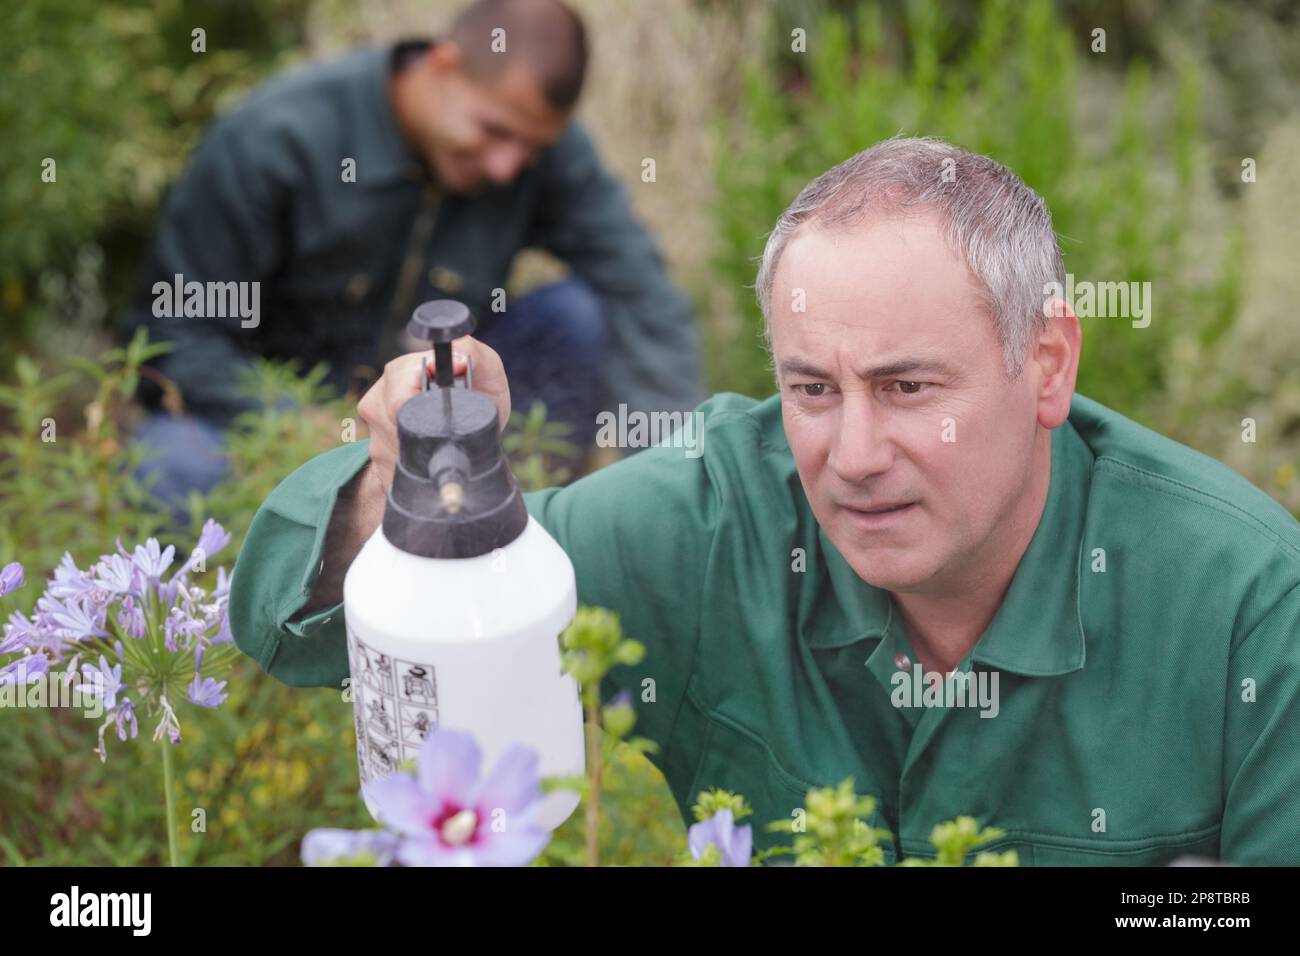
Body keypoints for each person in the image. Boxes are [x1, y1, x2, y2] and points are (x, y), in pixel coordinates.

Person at [227, 137, 1300, 864]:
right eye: (812, 389)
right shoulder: (710, 515)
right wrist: (409, 481)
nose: (854, 453)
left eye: (908, 386)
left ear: (1048, 363)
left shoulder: (1247, 602)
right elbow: (294, 624)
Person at [121, 0, 703, 516]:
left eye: (531, 147)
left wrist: (674, 485)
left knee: (576, 317)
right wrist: (309, 424)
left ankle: (522, 520)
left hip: (442, 414)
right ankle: (269, 586)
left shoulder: (537, 150)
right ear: (443, 65)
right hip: (281, 427)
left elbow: (640, 291)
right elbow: (174, 333)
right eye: (494, 131)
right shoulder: (276, 140)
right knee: (170, 468)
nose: (509, 166)